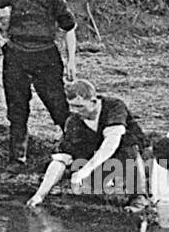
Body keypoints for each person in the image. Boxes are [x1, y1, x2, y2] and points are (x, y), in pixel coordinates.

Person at [0, 0, 78, 169]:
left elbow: (69, 28)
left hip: (46, 57)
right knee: (16, 109)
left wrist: (71, 61)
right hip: (16, 55)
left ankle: (76, 150)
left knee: (58, 106)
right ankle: (18, 158)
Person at [26, 78, 147, 211]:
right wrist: (39, 195)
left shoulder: (114, 106)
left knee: (131, 150)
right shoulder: (74, 121)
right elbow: (62, 159)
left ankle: (139, 198)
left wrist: (85, 170)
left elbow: (111, 142)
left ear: (94, 101)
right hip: (99, 159)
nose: (75, 111)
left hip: (127, 154)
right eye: (72, 106)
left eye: (80, 106)